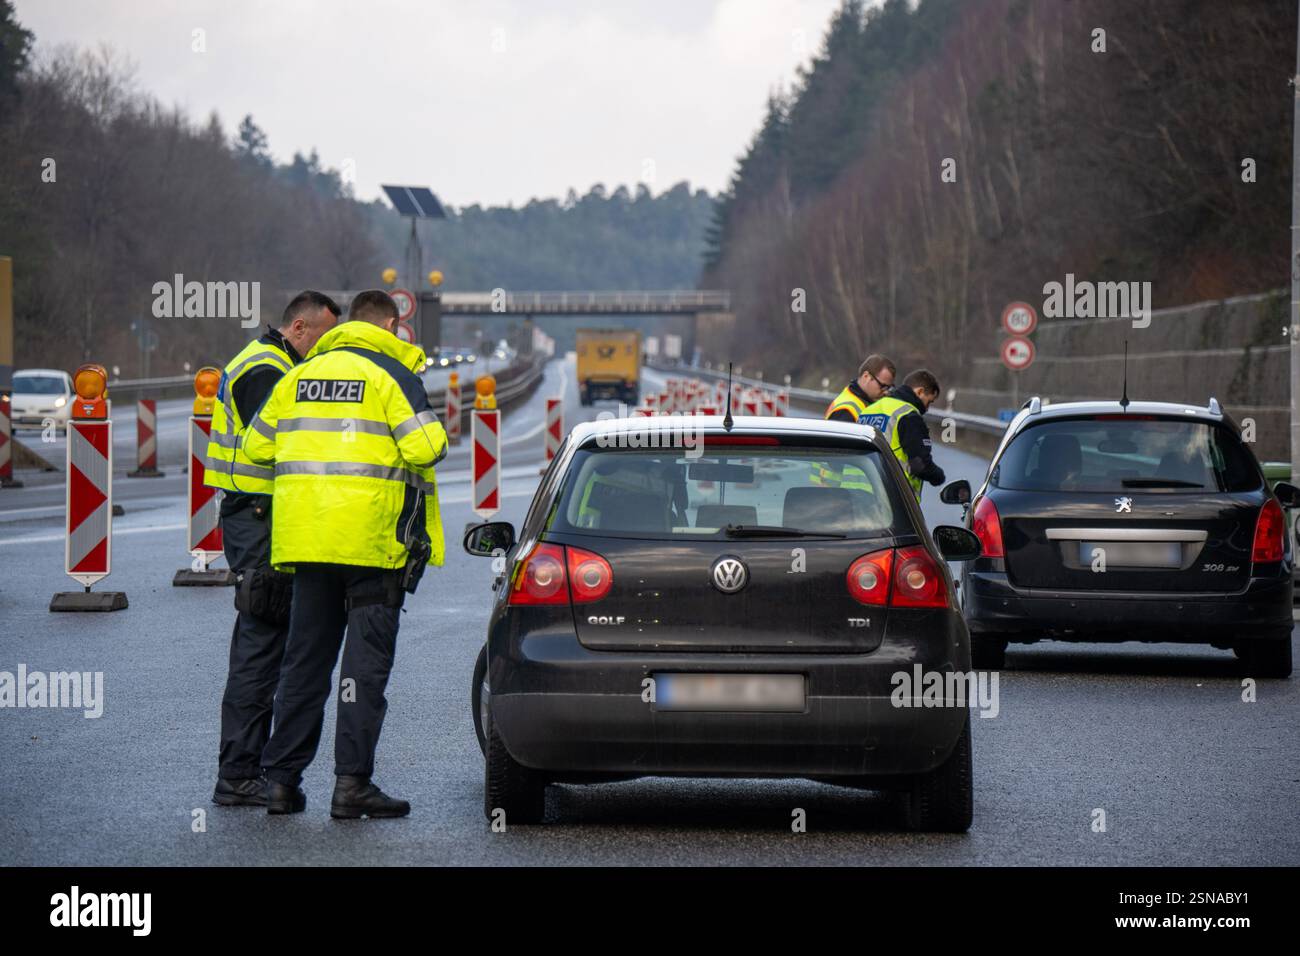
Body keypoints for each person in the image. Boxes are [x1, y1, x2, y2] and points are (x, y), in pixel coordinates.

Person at [243, 289, 449, 818]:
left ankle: (282, 783)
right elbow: (428, 448)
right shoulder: (391, 376)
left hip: (308, 545)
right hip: (372, 546)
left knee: (303, 666)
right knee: (363, 672)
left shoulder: (298, 377)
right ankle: (351, 787)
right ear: (389, 326)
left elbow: (255, 450)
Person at [207, 290, 341, 807]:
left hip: (264, 516)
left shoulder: (274, 362)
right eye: (325, 337)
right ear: (300, 329)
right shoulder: (267, 370)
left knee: (270, 644)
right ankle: (238, 774)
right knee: (260, 647)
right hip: (257, 517)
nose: (328, 348)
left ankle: (248, 768)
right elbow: (286, 441)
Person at [863, 368, 946, 499]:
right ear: (920, 392)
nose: (927, 408)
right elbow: (920, 465)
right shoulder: (909, 415)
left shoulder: (868, 410)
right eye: (929, 401)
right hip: (889, 495)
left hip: (857, 492)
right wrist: (939, 476)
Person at [825, 354, 896, 424]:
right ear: (866, 376)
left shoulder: (861, 400)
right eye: (882, 386)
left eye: (889, 387)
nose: (886, 392)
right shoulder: (846, 411)